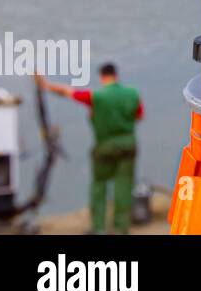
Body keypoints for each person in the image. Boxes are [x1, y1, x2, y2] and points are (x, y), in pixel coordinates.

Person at [36, 63, 142, 234]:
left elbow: (67, 92)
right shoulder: (132, 94)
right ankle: (121, 228)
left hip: (105, 147)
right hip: (128, 145)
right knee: (123, 185)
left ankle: (99, 228)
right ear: (116, 75)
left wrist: (45, 85)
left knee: (99, 186)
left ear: (102, 77)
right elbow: (138, 116)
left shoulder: (96, 96)